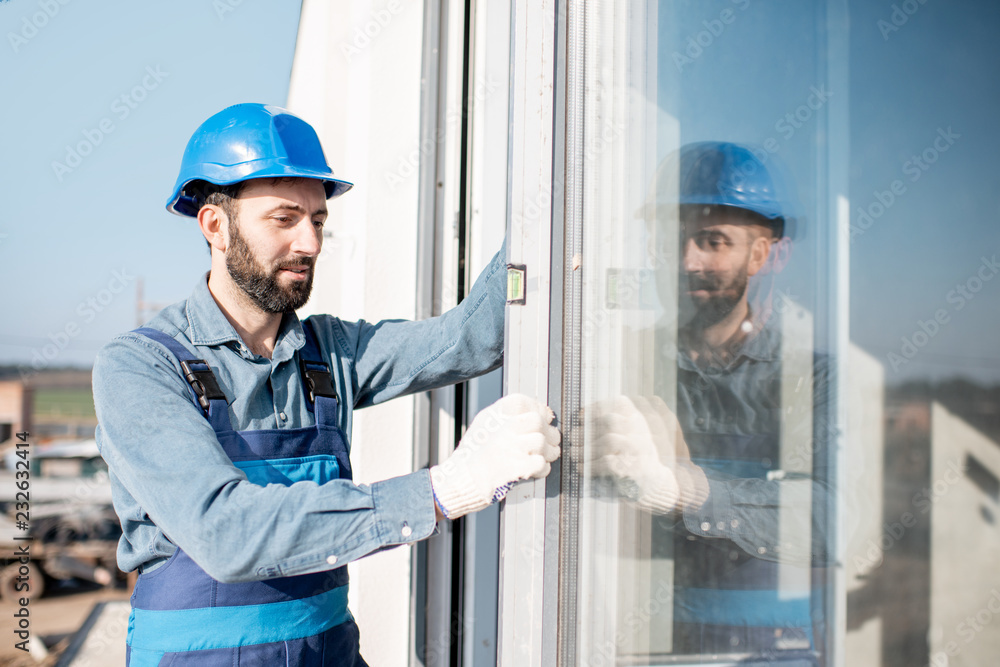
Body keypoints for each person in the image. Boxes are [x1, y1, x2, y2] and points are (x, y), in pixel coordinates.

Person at [92, 103, 560, 666]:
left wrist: (544, 210)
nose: (311, 244)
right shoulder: (141, 367)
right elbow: (226, 533)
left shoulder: (330, 353)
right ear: (215, 225)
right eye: (285, 218)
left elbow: (470, 339)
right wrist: (440, 491)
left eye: (317, 221)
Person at [592, 142, 829, 661]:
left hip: (776, 654)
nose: (686, 261)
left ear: (765, 254)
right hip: (647, 647)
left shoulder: (811, 379)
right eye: (670, 240)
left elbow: (835, 520)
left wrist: (689, 489)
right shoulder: (621, 366)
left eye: (712, 241)